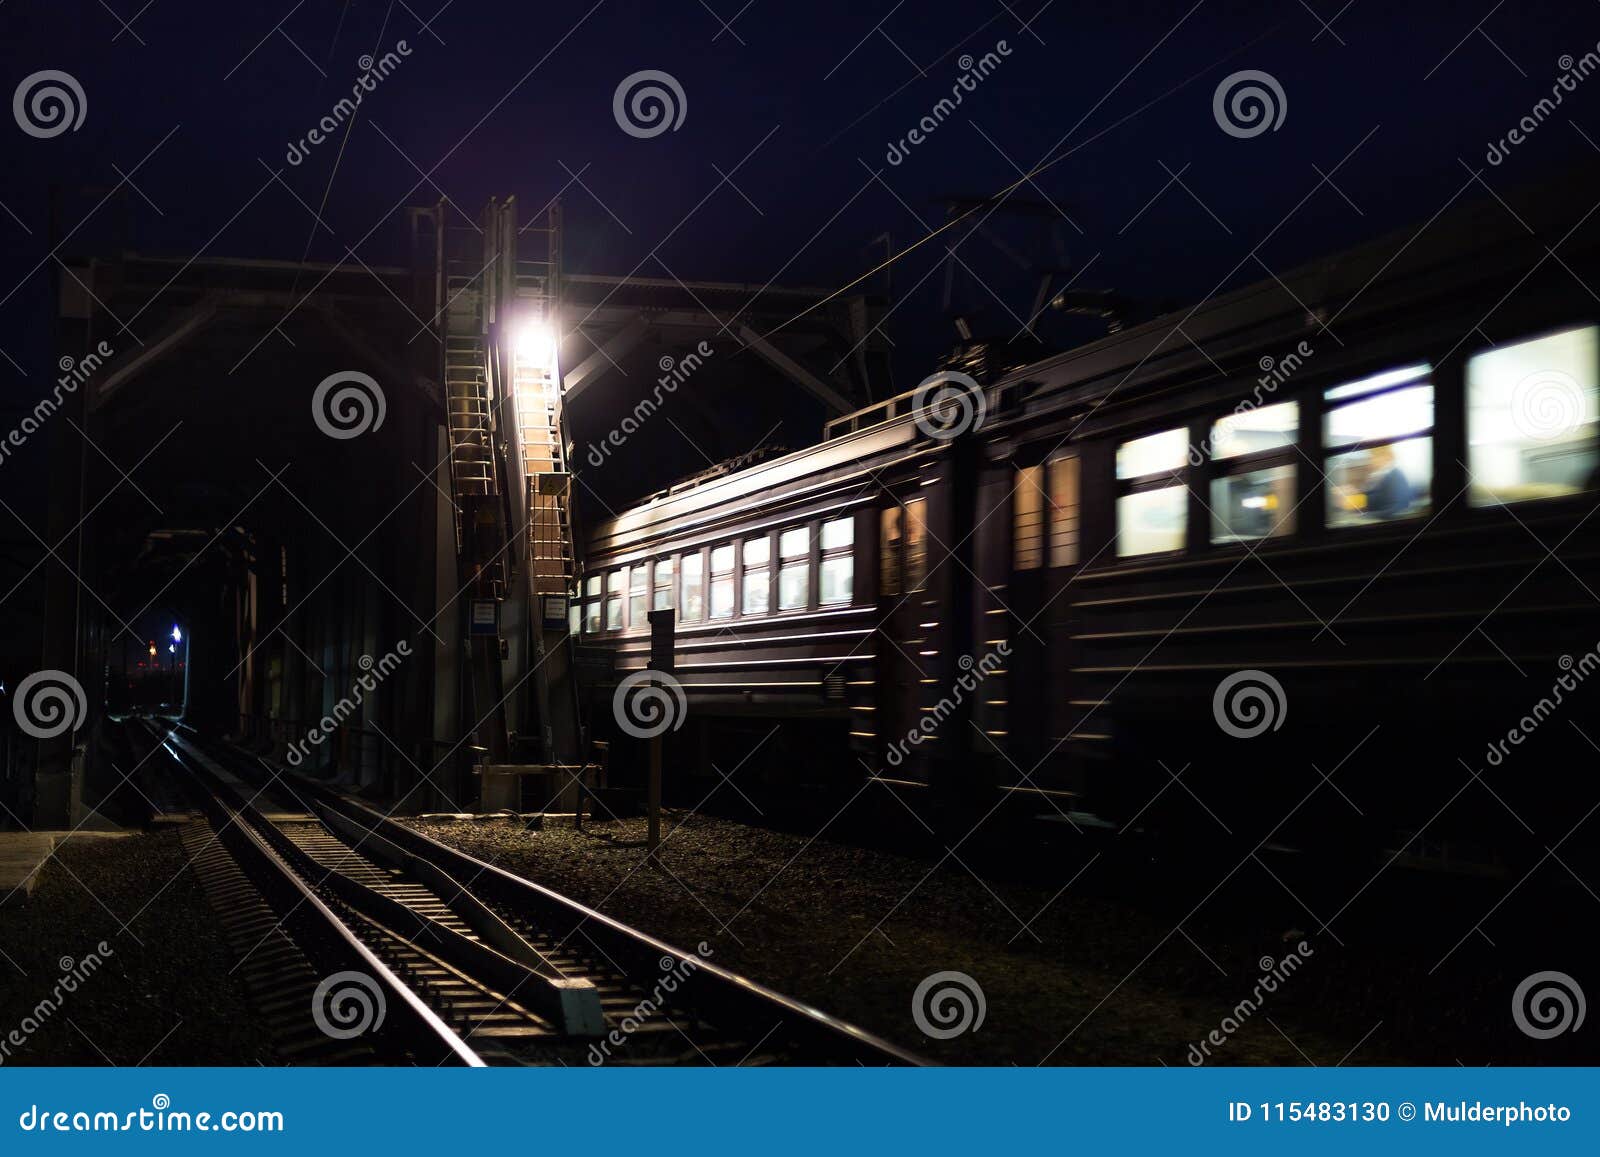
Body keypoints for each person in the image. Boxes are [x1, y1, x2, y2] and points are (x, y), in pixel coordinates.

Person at [1359, 443, 1413, 518]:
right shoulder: (1378, 475)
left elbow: (1396, 509)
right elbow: (1372, 497)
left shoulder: (1395, 476)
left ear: (1386, 457)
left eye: (1373, 457)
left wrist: (1368, 516)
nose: (1370, 461)